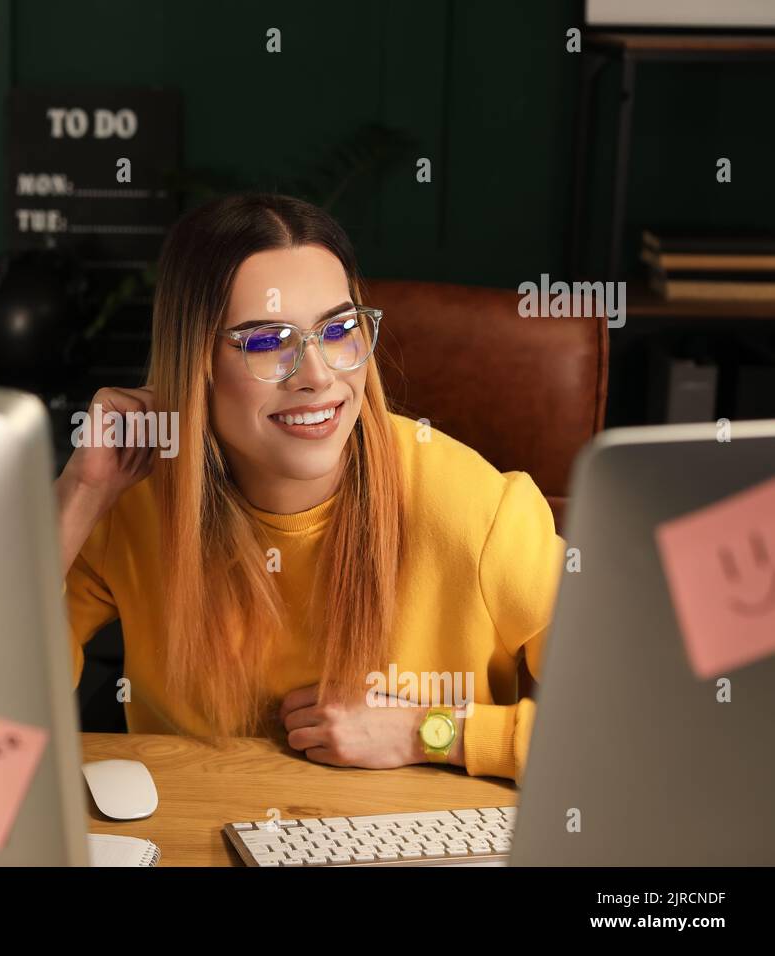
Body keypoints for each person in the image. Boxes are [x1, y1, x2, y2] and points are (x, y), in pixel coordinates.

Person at [57, 193, 563, 782]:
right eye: (267, 342)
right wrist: (81, 493)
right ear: (195, 362)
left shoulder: (478, 513)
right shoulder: (126, 502)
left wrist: (432, 729)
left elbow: (646, 726)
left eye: (339, 329)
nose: (319, 376)